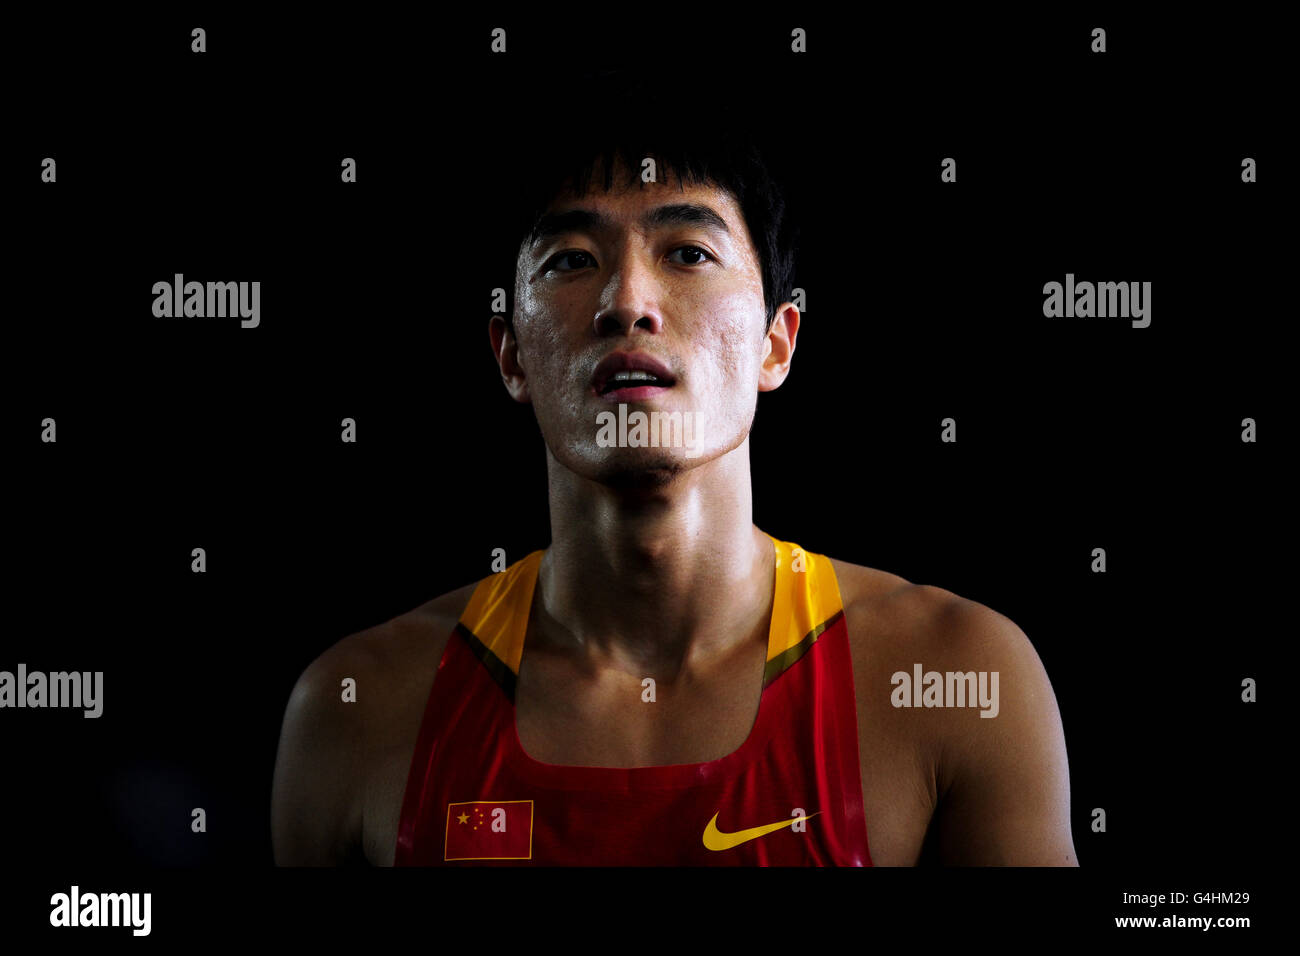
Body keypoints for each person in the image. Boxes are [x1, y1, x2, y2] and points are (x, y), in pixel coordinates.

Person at [271, 75, 1077, 866]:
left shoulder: (956, 676)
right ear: (511, 355)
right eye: (569, 261)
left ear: (777, 341)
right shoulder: (359, 708)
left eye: (688, 252)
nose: (628, 300)